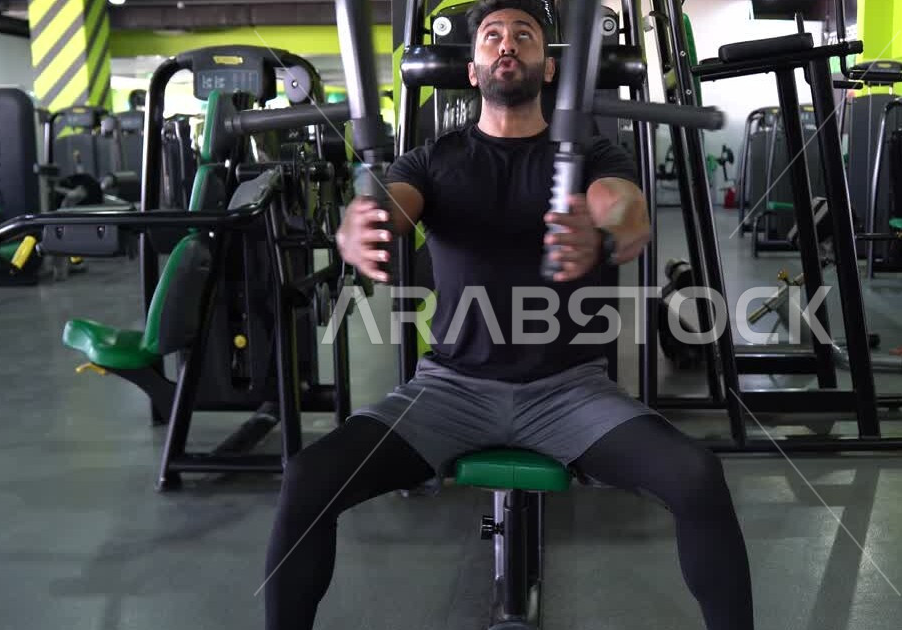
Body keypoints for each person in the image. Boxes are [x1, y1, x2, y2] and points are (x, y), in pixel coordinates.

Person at [262, 1, 754, 628]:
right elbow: (396, 203)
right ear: (473, 70)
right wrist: (367, 224)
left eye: (524, 35)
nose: (506, 45)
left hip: (568, 392)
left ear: (547, 68)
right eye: (492, 36)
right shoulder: (432, 159)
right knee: (309, 477)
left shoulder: (593, 156)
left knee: (697, 477)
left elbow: (621, 204)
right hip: (450, 390)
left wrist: (610, 225)